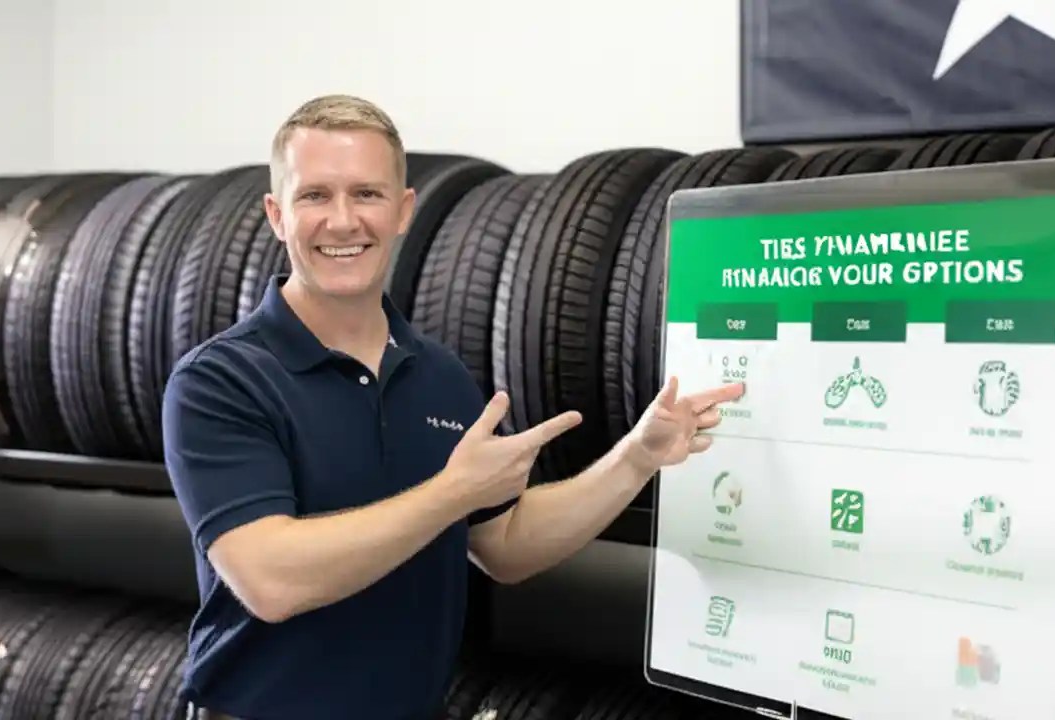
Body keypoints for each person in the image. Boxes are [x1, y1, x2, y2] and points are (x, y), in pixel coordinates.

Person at [161, 94, 745, 720]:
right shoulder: (220, 381)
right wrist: (451, 492)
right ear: (277, 215)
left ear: (404, 210)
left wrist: (637, 456)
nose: (342, 221)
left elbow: (506, 543)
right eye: (314, 196)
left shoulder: (437, 375)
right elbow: (271, 580)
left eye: (366, 194)